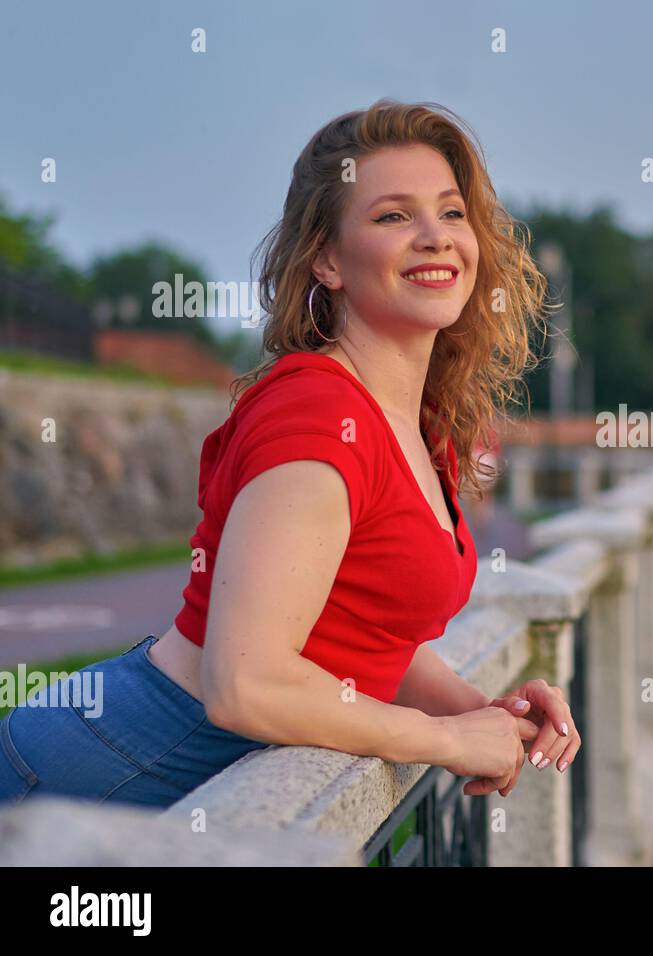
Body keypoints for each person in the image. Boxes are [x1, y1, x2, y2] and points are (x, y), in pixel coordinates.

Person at [0, 100, 579, 810]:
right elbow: (248, 684)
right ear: (328, 259)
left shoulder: (415, 423)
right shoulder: (318, 414)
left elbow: (364, 634)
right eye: (393, 215)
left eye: (452, 212)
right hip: (94, 771)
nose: (436, 237)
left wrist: (483, 712)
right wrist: (447, 742)